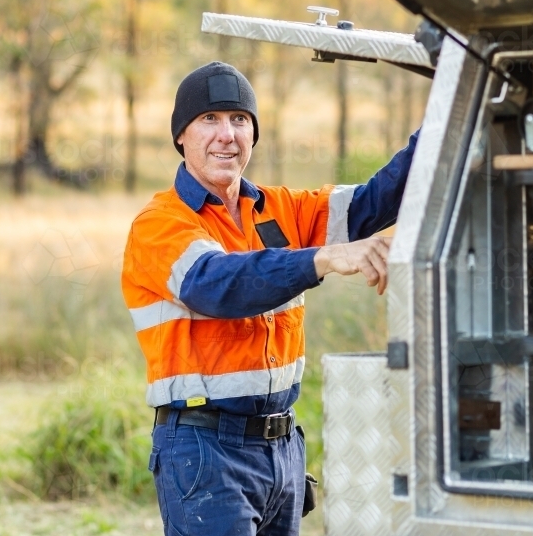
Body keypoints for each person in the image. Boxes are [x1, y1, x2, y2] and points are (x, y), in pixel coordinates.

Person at [121, 61, 417, 535]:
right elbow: (218, 284)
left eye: (240, 120)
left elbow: (375, 201)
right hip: (205, 450)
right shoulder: (160, 224)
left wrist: (448, 114)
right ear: (181, 136)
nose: (227, 135)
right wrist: (322, 258)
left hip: (282, 448)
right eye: (210, 120)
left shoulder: (281, 210)